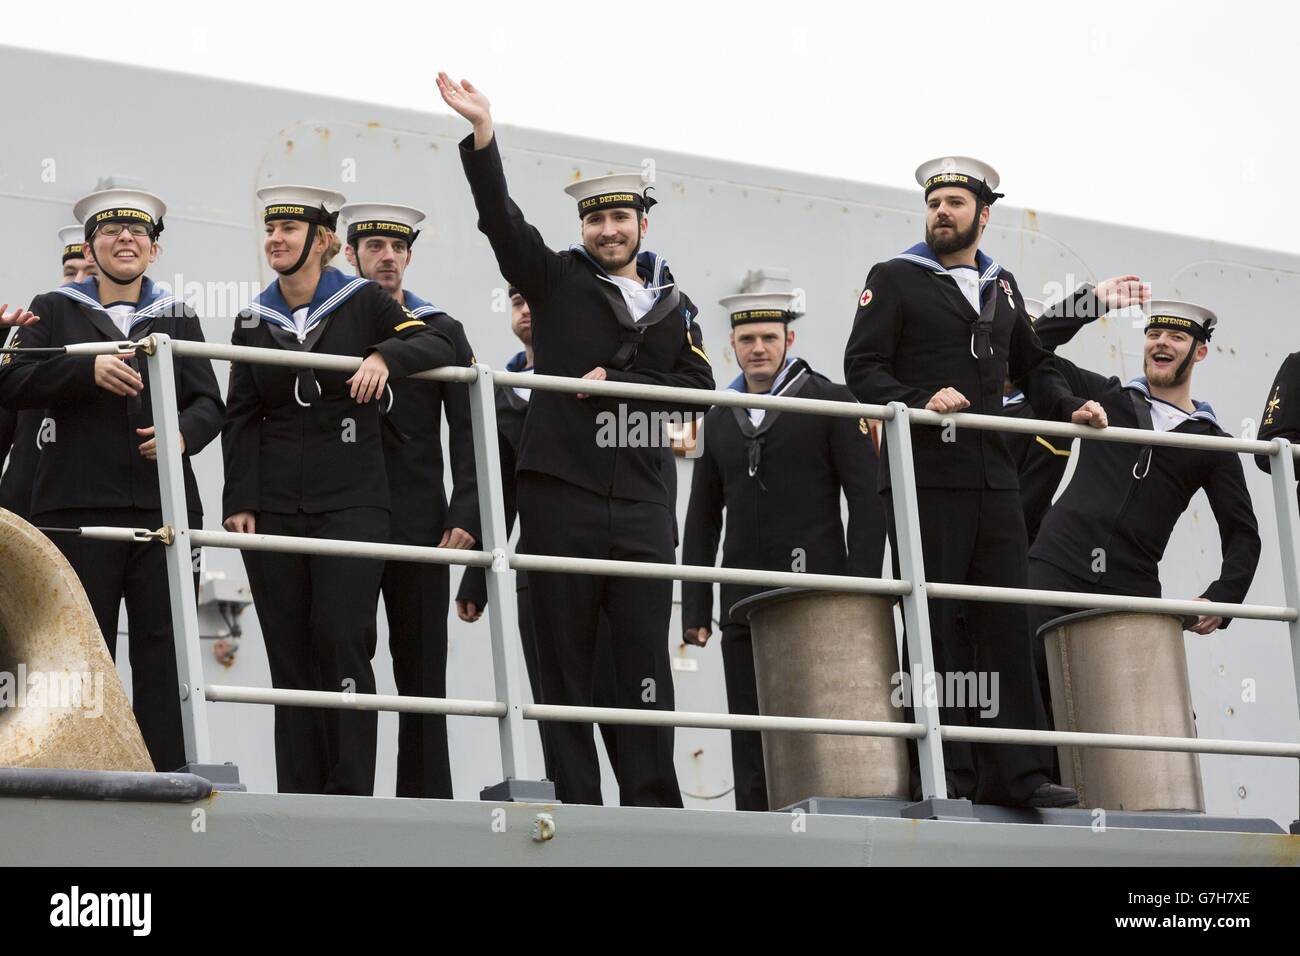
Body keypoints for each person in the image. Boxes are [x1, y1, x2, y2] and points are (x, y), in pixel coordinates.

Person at [439, 73, 715, 806]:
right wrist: (484, 135)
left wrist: (625, 391)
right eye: (596, 222)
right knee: (561, 664)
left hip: (644, 507)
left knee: (641, 663)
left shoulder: (674, 308)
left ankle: (655, 802)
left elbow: (698, 395)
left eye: (620, 219)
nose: (608, 231)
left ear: (641, 226)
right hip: (563, 497)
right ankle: (579, 802)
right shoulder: (556, 280)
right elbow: (501, 221)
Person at [843, 156, 1108, 808]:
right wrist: (918, 399)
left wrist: (1067, 408)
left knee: (1005, 622)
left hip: (994, 480)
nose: (941, 212)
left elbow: (1035, 364)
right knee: (936, 626)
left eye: (955, 203)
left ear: (982, 216)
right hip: (926, 479)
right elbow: (862, 366)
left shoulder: (1003, 287)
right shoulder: (896, 278)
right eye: (935, 202)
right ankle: (947, 776)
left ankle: (1020, 775)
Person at [222, 185, 457, 796]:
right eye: (270, 231)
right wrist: (239, 500)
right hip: (274, 504)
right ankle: (300, 792)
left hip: (353, 500)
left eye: (289, 231)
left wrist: (383, 355)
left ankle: (350, 791)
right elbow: (242, 412)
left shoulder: (363, 303)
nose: (275, 240)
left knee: (341, 640)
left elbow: (438, 342)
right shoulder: (252, 318)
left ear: (322, 242)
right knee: (289, 656)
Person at [0, 188, 224, 771]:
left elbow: (208, 401)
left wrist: (180, 437)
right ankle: (80, 773)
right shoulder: (51, 307)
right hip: (75, 511)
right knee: (81, 651)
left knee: (163, 653)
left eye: (136, 233)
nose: (124, 239)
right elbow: (11, 382)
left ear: (154, 249)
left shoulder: (177, 314)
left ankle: (164, 775)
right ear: (91, 246)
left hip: (162, 513)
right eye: (110, 232)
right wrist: (84, 368)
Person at [682, 289, 887, 810]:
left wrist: (859, 593)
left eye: (769, 338)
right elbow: (702, 518)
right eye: (746, 339)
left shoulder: (830, 401)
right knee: (750, 732)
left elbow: (867, 501)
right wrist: (697, 608)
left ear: (788, 339)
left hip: (814, 600)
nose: (758, 349)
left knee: (815, 729)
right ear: (731, 346)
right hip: (741, 605)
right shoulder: (720, 415)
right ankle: (756, 830)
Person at [1026, 301, 1261, 717]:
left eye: (1176, 337)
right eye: (1154, 335)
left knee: (1131, 712)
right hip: (1054, 565)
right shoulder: (1108, 396)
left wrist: (1223, 597)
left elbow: (1243, 532)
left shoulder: (1214, 443)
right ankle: (1028, 782)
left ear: (1200, 352)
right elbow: (1030, 345)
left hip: (1129, 585)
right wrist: (1092, 302)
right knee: (1028, 686)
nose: (1161, 344)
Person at [454, 286, 625, 782]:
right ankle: (578, 815)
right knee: (556, 704)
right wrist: (473, 581)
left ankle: (644, 817)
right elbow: (503, 486)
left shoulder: (590, 376)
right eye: (517, 302)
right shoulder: (502, 387)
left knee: (621, 700)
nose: (527, 309)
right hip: (537, 564)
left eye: (536, 299)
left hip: (601, 557)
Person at [340, 201, 479, 799]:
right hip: (343, 512)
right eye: (374, 247)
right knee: (345, 652)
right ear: (350, 255)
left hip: (420, 517)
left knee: (423, 665)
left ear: (409, 257)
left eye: (397, 248)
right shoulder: (330, 321)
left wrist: (468, 511)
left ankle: (427, 797)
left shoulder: (441, 328)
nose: (387, 257)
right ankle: (347, 795)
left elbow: (470, 430)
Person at [1002, 279, 1149, 544]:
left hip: (1016, 549)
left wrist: (1090, 303)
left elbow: (1028, 352)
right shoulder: (969, 396)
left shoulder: (1054, 404)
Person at [0, 225, 99, 519]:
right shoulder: (38, 327)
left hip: (91, 506)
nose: (77, 281)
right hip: (25, 503)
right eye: (70, 272)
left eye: (90, 274)